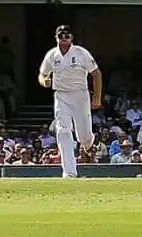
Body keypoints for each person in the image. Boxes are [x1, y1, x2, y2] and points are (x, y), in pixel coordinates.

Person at [38, 23, 102, 179]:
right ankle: (69, 172)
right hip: (61, 95)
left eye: (67, 36)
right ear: (56, 38)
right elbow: (42, 74)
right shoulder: (52, 55)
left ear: (71, 37)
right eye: (61, 36)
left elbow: (96, 74)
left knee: (84, 135)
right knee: (63, 130)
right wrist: (44, 81)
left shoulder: (81, 53)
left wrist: (97, 97)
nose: (64, 39)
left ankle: (88, 143)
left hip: (80, 94)